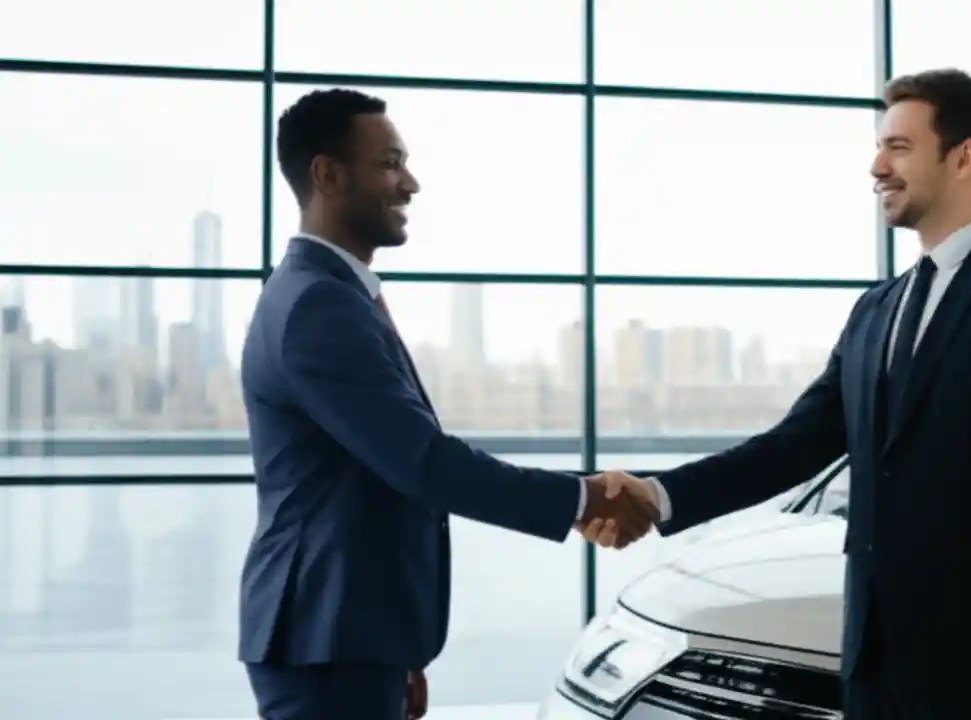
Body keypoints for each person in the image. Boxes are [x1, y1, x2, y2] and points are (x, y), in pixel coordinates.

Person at [585, 69, 971, 719]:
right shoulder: (876, 309)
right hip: (874, 673)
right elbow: (792, 447)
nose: (876, 166)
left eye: (897, 146)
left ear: (963, 157)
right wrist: (660, 495)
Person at [238, 88, 657, 720]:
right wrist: (581, 499)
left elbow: (374, 478)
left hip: (350, 636)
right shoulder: (317, 306)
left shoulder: (326, 295)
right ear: (327, 174)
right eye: (389, 164)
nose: (410, 183)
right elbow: (423, 464)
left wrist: (400, 648)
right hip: (325, 641)